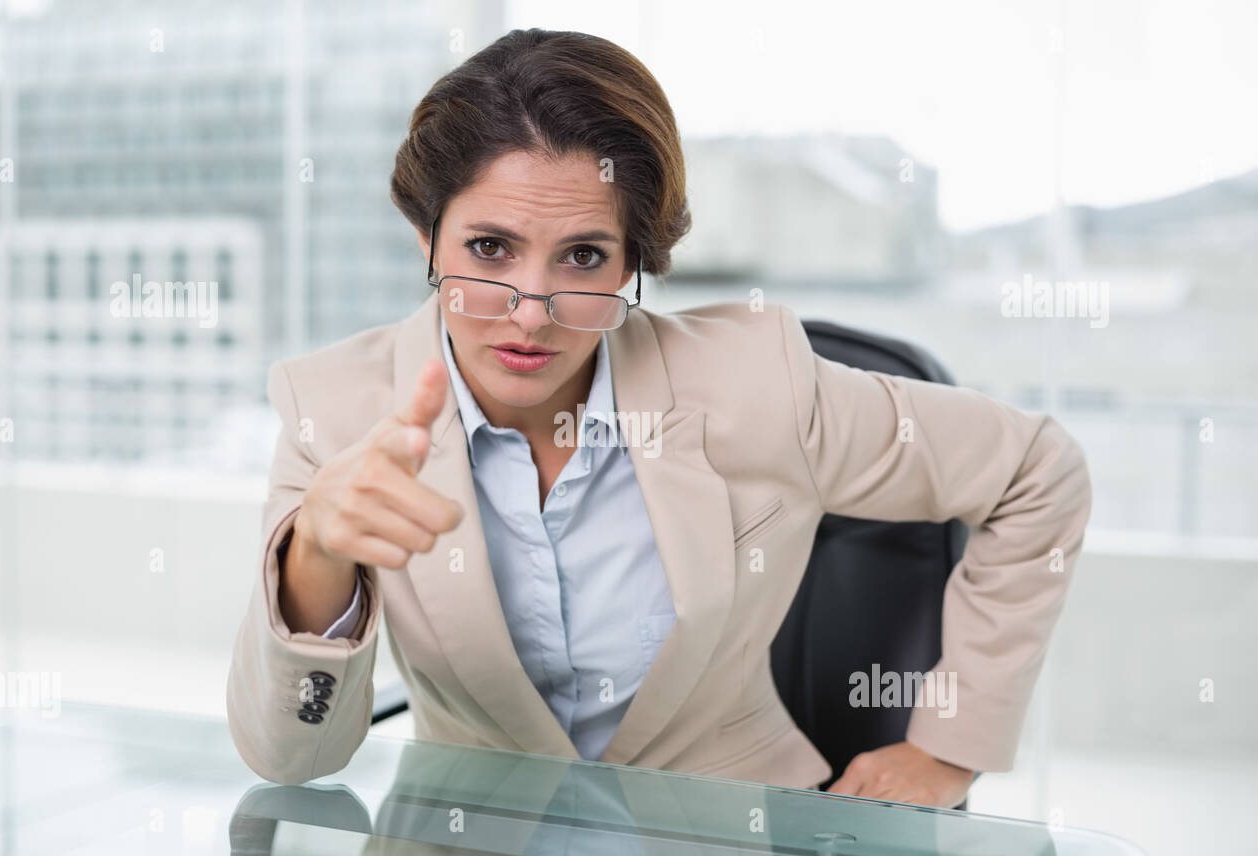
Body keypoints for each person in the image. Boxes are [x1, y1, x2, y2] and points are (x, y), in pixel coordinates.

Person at [226, 28, 1092, 810]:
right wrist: (319, 554)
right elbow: (288, 759)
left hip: (726, 834)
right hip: (470, 837)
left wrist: (951, 749)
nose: (531, 313)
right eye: (489, 249)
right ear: (426, 238)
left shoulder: (756, 383)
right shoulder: (335, 409)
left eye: (584, 257)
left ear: (636, 258)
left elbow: (1036, 471)